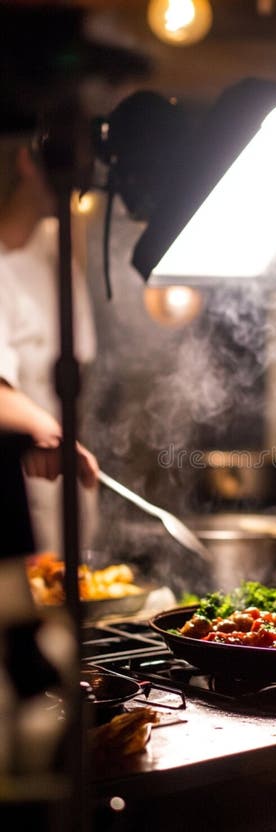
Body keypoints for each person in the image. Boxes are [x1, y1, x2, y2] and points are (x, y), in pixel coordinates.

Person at [0, 136, 99, 553]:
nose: (78, 181)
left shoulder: (54, 249)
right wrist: (46, 430)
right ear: (26, 160)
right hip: (20, 478)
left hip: (66, 474)